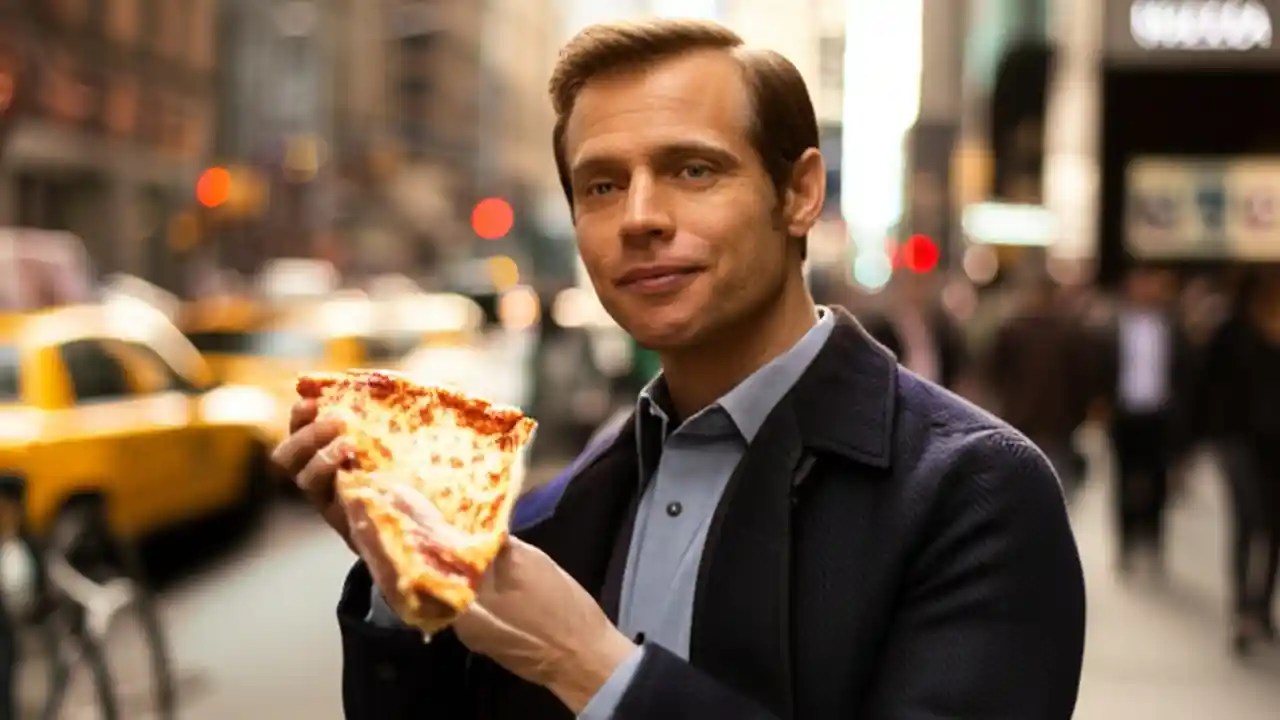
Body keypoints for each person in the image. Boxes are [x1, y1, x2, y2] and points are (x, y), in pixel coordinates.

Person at [272, 19, 1085, 718]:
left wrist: (591, 666)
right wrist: (402, 581)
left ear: (799, 193)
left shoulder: (975, 492)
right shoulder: (559, 502)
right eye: (601, 184)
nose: (641, 218)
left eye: (694, 170)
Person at [1193, 269, 1280, 656]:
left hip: (1274, 444)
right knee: (1248, 519)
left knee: (1273, 524)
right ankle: (1243, 607)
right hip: (1238, 440)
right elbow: (1207, 385)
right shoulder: (1233, 332)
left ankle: (1262, 606)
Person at [1098, 266, 1191, 575]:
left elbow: (1186, 373)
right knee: (1123, 478)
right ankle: (1125, 542)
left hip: (1159, 414)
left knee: (1158, 479)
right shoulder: (1115, 326)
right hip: (1125, 413)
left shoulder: (1172, 327)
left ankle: (1153, 539)